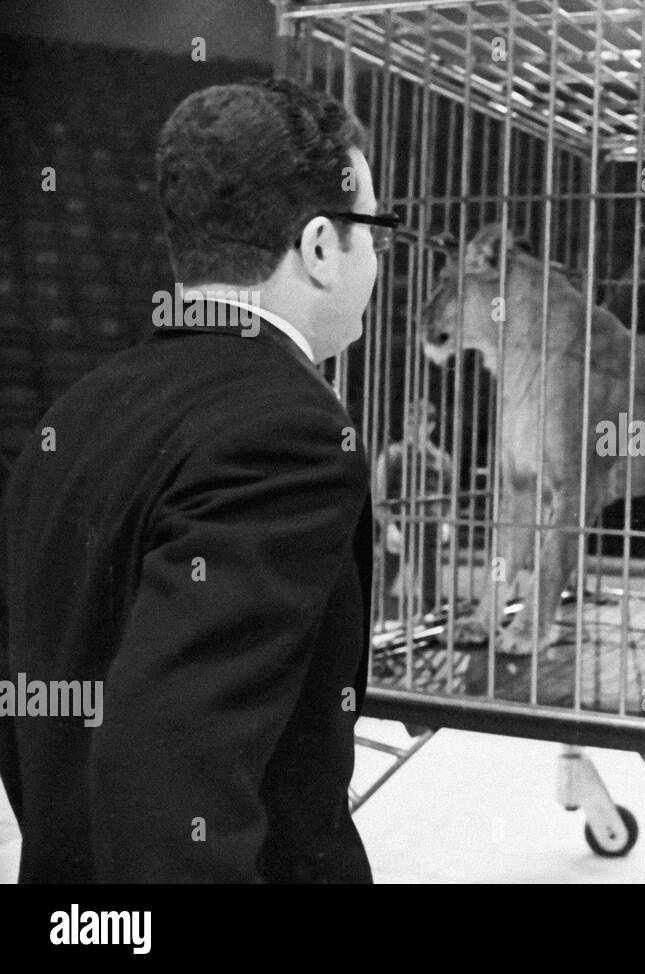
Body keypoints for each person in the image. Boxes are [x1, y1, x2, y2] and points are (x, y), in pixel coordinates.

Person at [0, 77, 392, 882]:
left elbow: (30, 712)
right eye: (375, 230)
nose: (379, 257)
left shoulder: (73, 415)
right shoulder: (290, 433)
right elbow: (169, 764)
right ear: (320, 248)